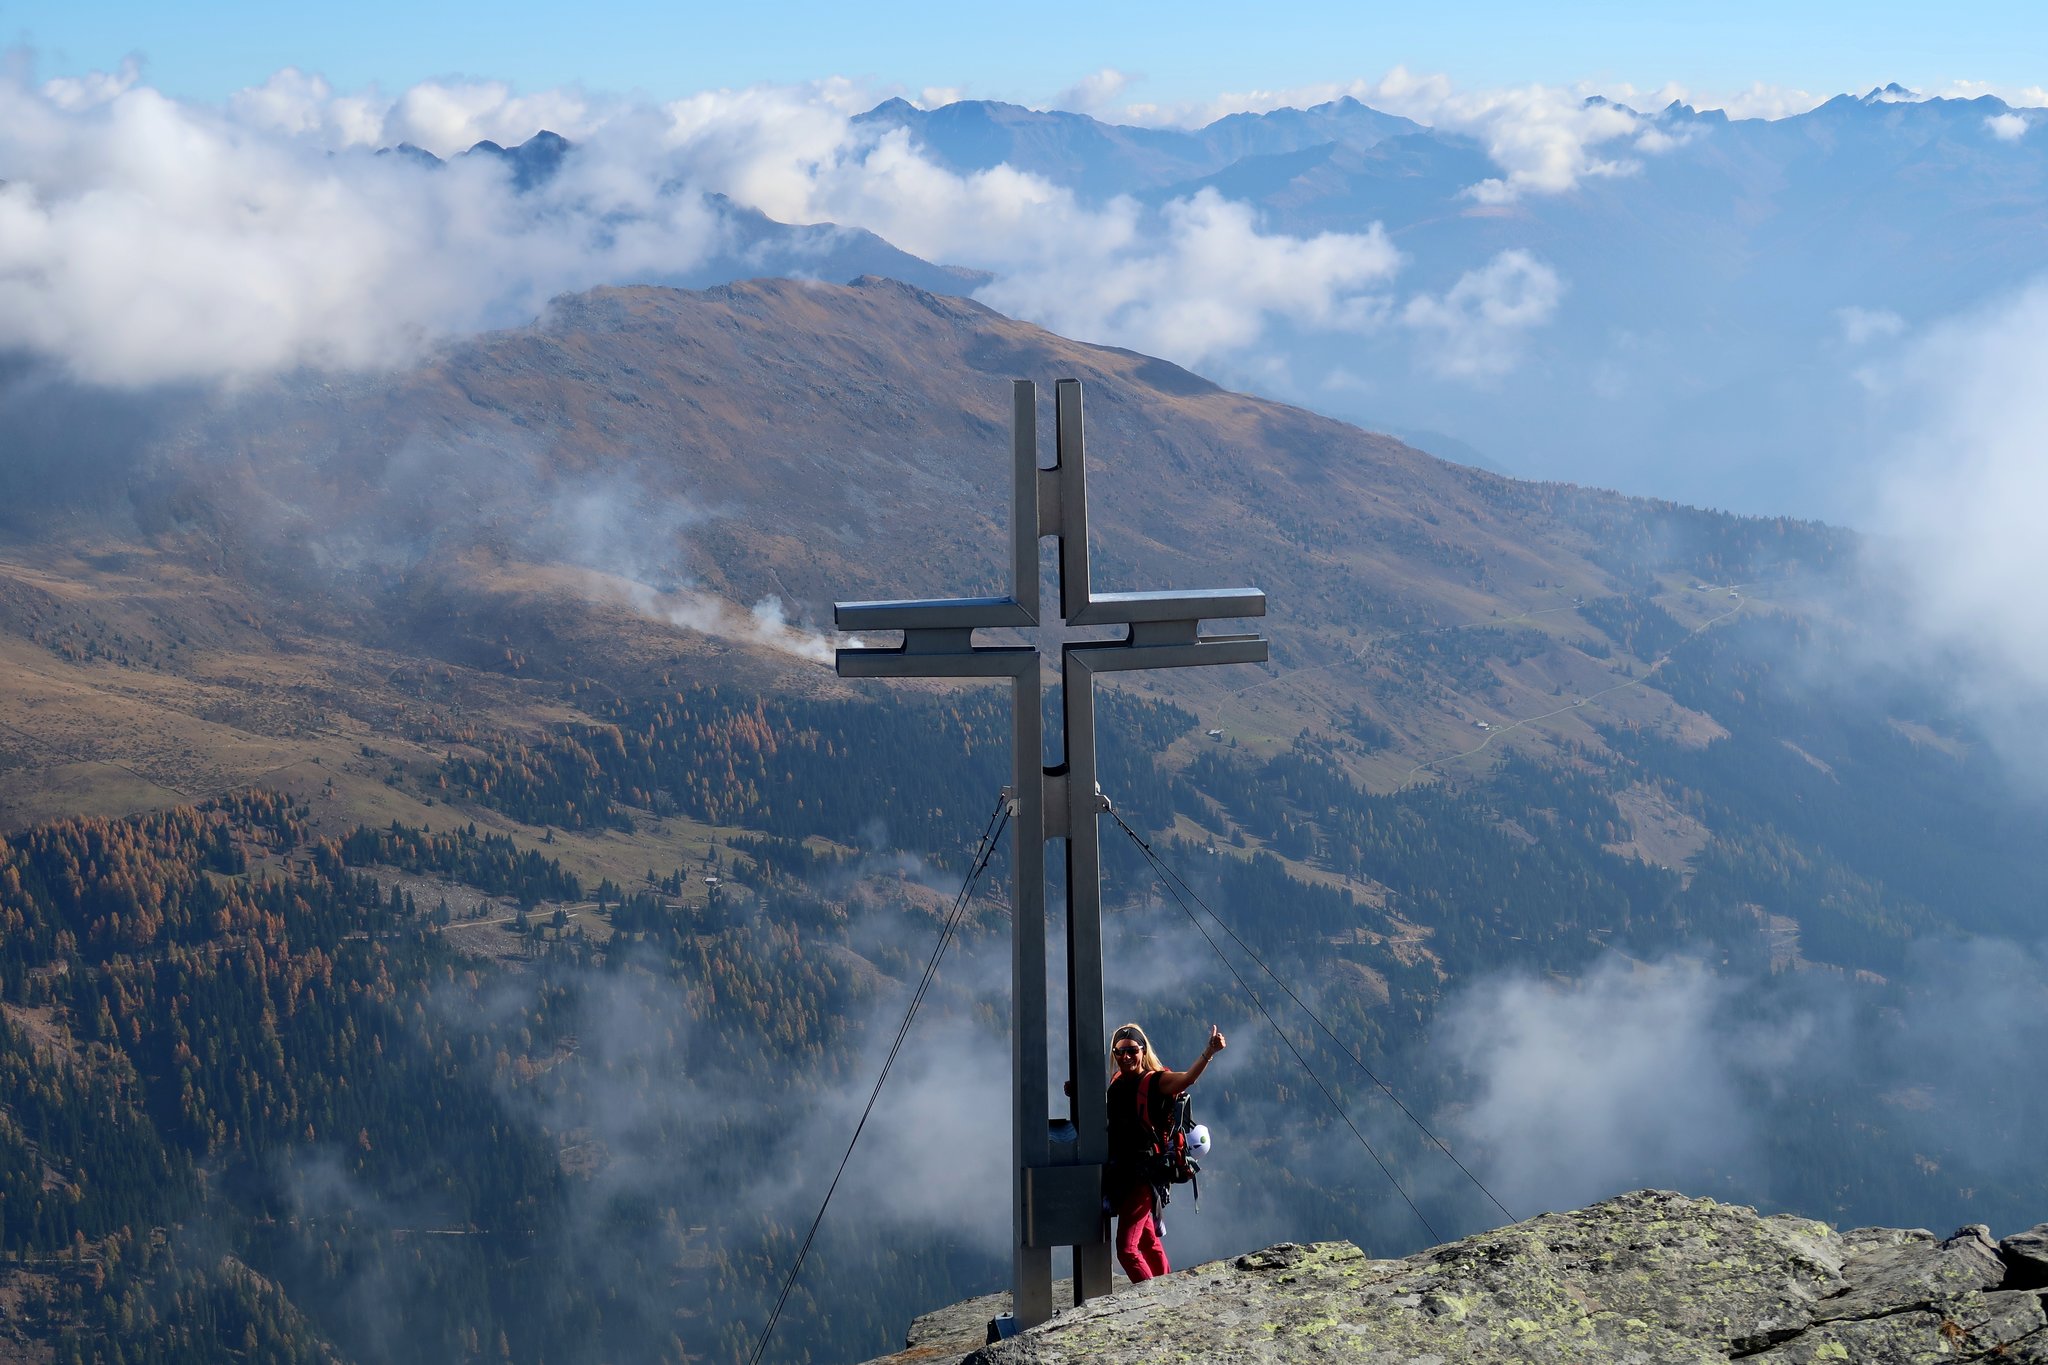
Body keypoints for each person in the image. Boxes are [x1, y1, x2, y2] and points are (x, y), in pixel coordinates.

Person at [1104, 1021, 1225, 1283]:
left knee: (1126, 1250)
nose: (1125, 1057)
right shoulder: (1117, 1082)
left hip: (1143, 1176)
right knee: (1146, 1240)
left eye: (1132, 1051)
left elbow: (1187, 1079)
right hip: (1122, 1174)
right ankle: (1167, 1288)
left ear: (1143, 1050)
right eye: (1119, 1052)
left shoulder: (1155, 1081)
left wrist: (1209, 1052)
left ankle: (1153, 1300)